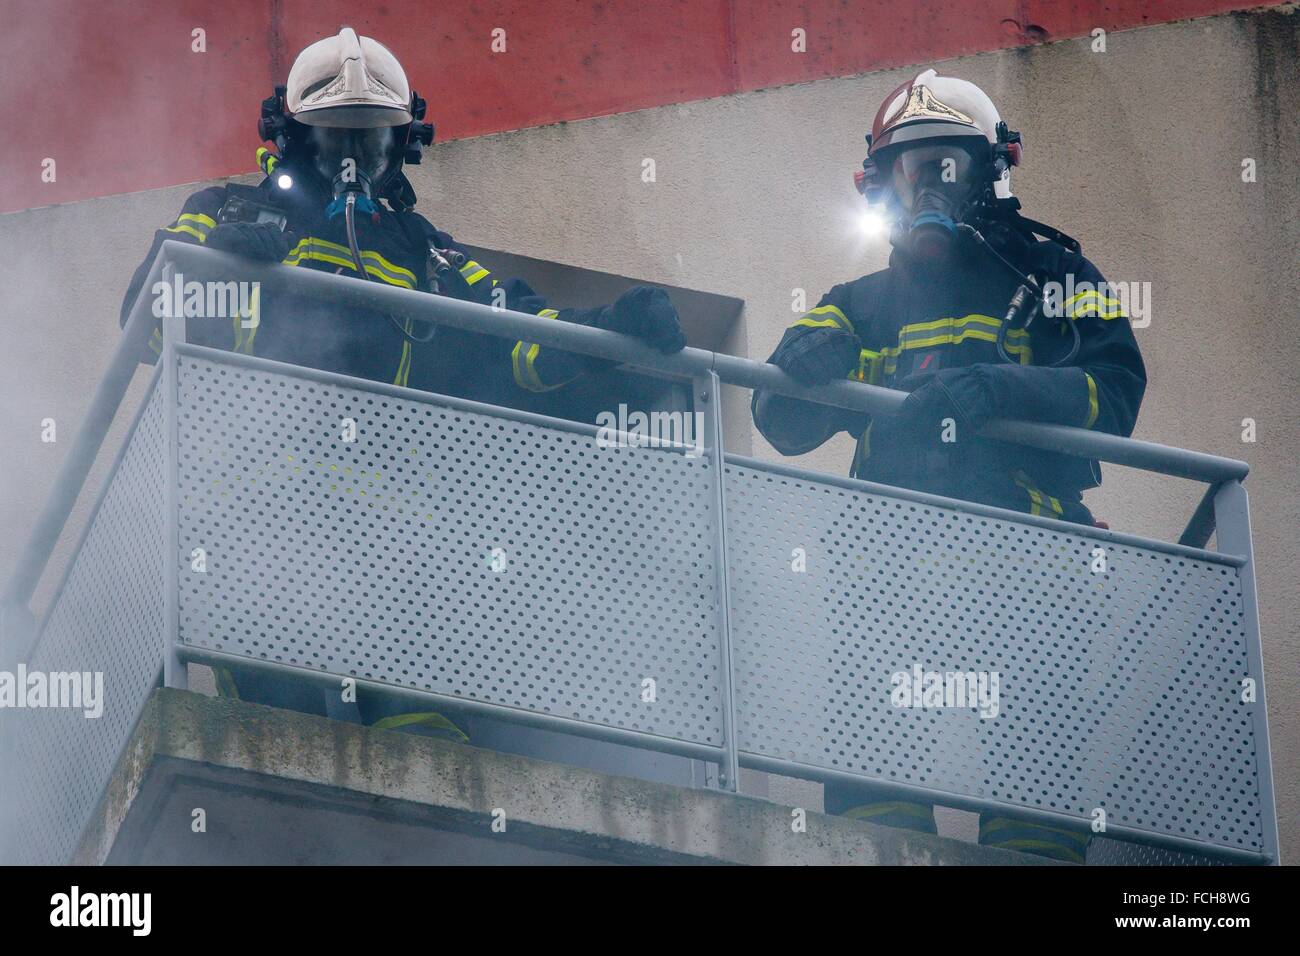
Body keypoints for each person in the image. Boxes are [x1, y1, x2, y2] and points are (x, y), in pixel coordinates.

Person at [119, 27, 686, 738]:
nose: (352, 157)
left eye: (370, 139)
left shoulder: (424, 251)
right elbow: (143, 328)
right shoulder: (226, 212)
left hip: (393, 544)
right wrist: (212, 262)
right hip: (258, 530)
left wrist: (607, 330)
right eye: (333, 138)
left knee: (424, 742)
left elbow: (518, 339)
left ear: (401, 143)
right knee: (276, 745)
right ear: (292, 137)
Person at [751, 69, 1146, 863]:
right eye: (911, 167)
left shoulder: (1054, 278)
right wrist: (804, 362)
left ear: (987, 172)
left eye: (947, 165)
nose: (928, 184)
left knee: (1035, 781)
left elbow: (1115, 392)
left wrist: (995, 388)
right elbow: (779, 425)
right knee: (873, 779)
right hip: (885, 565)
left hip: (1025, 561)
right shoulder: (859, 300)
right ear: (882, 185)